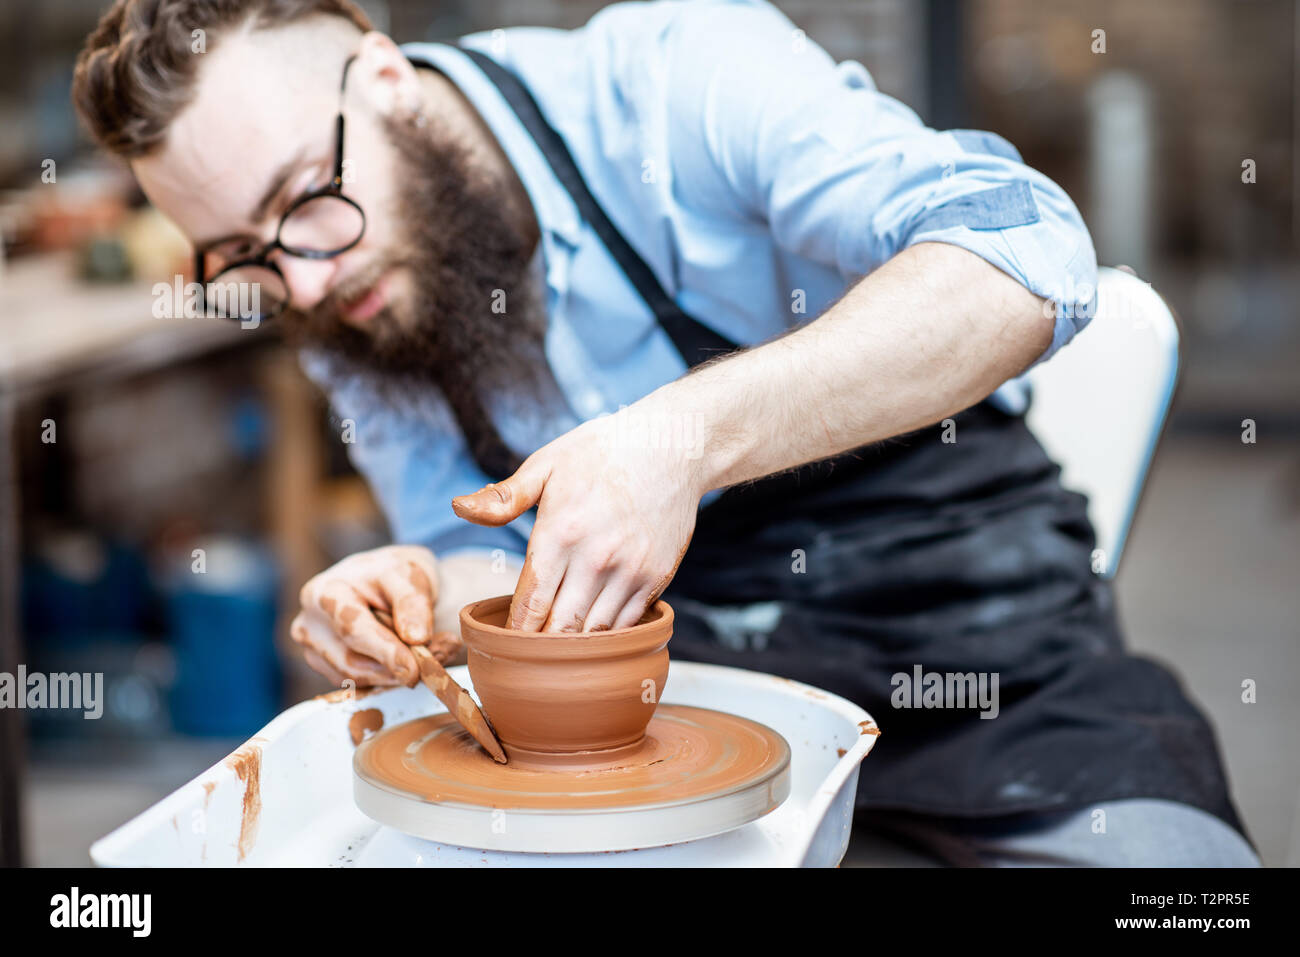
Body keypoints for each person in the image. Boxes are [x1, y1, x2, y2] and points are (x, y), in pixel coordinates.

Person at [73, 0, 1256, 866]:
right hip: (678, 721)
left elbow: (1023, 258)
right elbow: (489, 553)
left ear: (384, 75)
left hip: (987, 676)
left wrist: (686, 437)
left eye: (302, 201)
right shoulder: (340, 293)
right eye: (246, 256)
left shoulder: (678, 79)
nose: (308, 280)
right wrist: (429, 589)